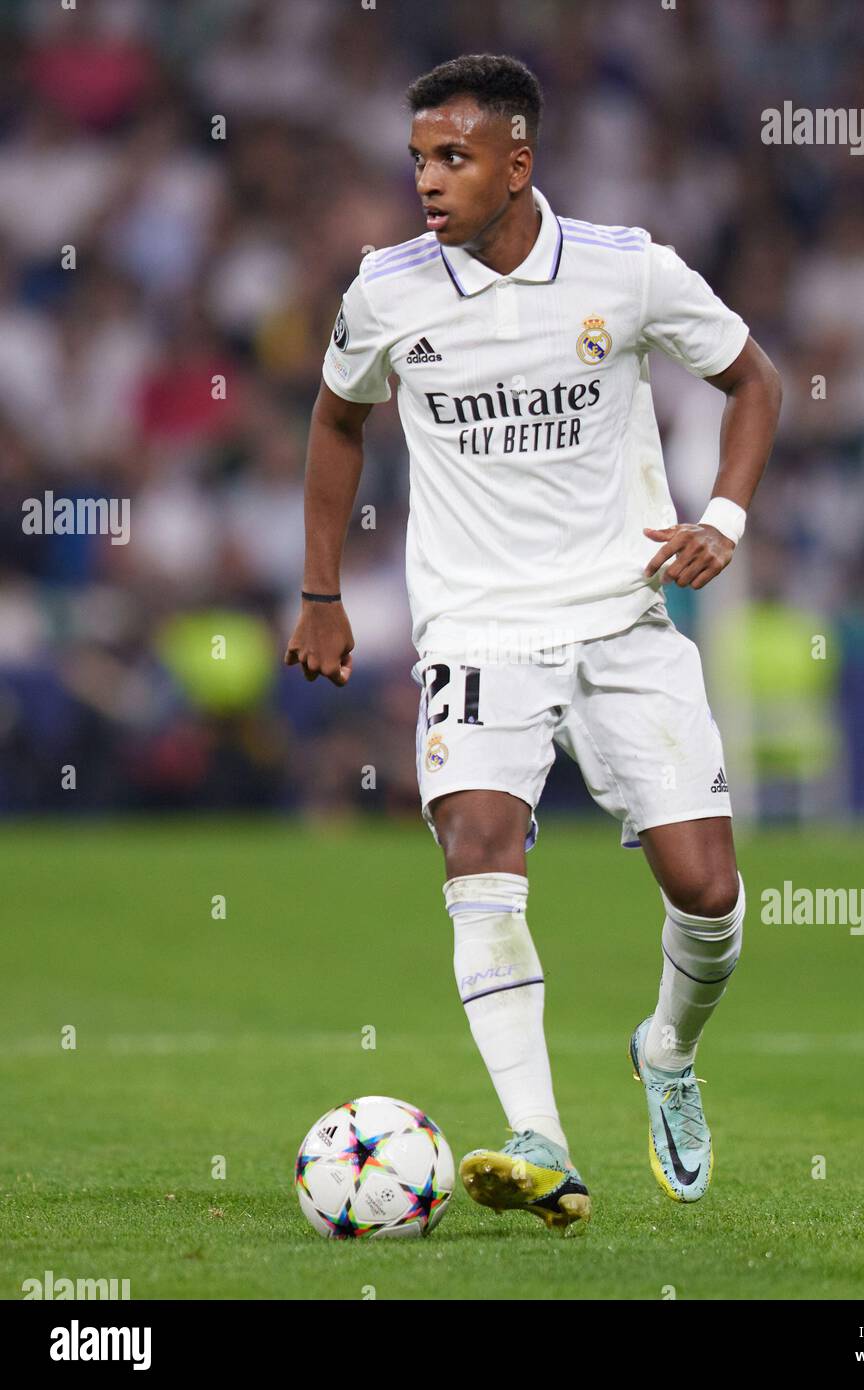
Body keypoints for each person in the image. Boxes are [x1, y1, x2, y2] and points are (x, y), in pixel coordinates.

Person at [285, 53, 782, 1232]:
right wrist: (320, 589)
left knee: (704, 890)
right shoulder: (386, 292)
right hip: (475, 628)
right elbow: (334, 417)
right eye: (416, 158)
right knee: (479, 854)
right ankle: (538, 1140)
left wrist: (721, 518)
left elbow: (753, 381)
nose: (427, 181)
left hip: (621, 614)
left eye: (451, 157)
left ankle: (663, 1049)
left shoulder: (628, 269)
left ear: (519, 161)